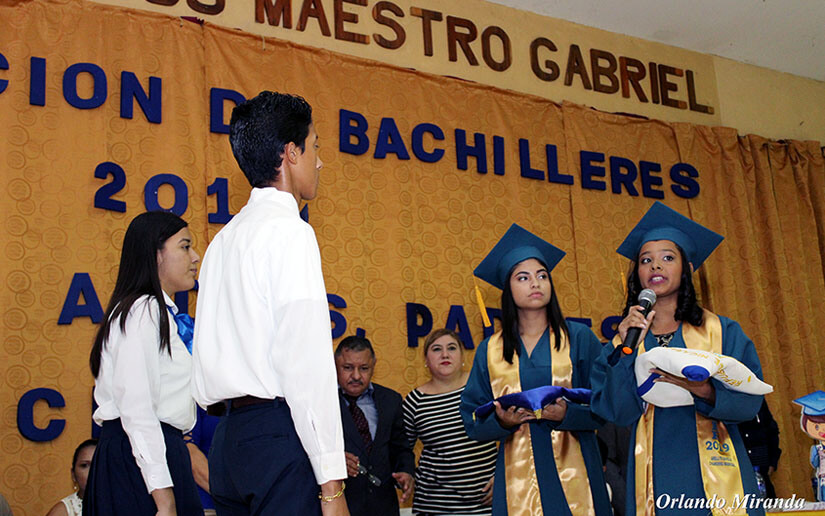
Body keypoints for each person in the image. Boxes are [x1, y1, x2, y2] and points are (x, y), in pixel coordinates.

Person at [191, 91, 348, 515]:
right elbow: (306, 365)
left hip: (228, 442)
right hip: (279, 437)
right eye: (315, 147)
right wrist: (332, 487)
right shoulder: (291, 232)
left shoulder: (222, 241)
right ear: (291, 152)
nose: (319, 161)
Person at [591, 201, 765, 516]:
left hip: (717, 461)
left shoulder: (722, 331)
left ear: (685, 268)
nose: (655, 266)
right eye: (646, 260)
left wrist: (706, 392)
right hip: (654, 467)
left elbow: (750, 401)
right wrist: (626, 349)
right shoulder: (624, 339)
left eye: (667, 258)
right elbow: (614, 410)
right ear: (638, 275)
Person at [459, 223, 611, 516]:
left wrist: (569, 414)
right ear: (508, 288)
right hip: (516, 476)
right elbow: (472, 417)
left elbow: (606, 403)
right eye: (523, 277)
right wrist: (501, 422)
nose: (535, 283)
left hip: (578, 470)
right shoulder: (490, 350)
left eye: (542, 276)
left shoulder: (578, 338)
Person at [85, 211, 202, 516]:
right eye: (185, 246)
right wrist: (163, 498)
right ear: (156, 255)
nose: (196, 256)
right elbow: (137, 409)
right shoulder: (143, 310)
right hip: (138, 463)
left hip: (158, 454)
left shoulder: (158, 312)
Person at [402, 328, 497, 515]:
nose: (445, 354)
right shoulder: (415, 400)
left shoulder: (485, 386)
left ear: (462, 356)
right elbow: (402, 450)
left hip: (487, 501)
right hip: (435, 504)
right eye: (436, 349)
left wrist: (504, 475)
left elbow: (515, 433)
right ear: (426, 361)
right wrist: (407, 475)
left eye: (452, 348)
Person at [335, 336, 414, 516]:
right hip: (341, 505)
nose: (356, 376)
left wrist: (405, 471)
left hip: (383, 506)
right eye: (347, 368)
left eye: (364, 368)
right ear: (335, 366)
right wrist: (332, 461)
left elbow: (401, 448)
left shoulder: (391, 400)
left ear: (373, 366)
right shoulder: (321, 403)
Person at [740, 400, 781, 498]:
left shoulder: (757, 399)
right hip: (735, 463)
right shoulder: (723, 397)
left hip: (760, 466)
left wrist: (772, 461)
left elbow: (772, 431)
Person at [46, 439, 97, 516]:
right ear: (73, 475)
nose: (92, 471)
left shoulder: (120, 504)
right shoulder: (62, 512)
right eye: (84, 465)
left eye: (98, 464)